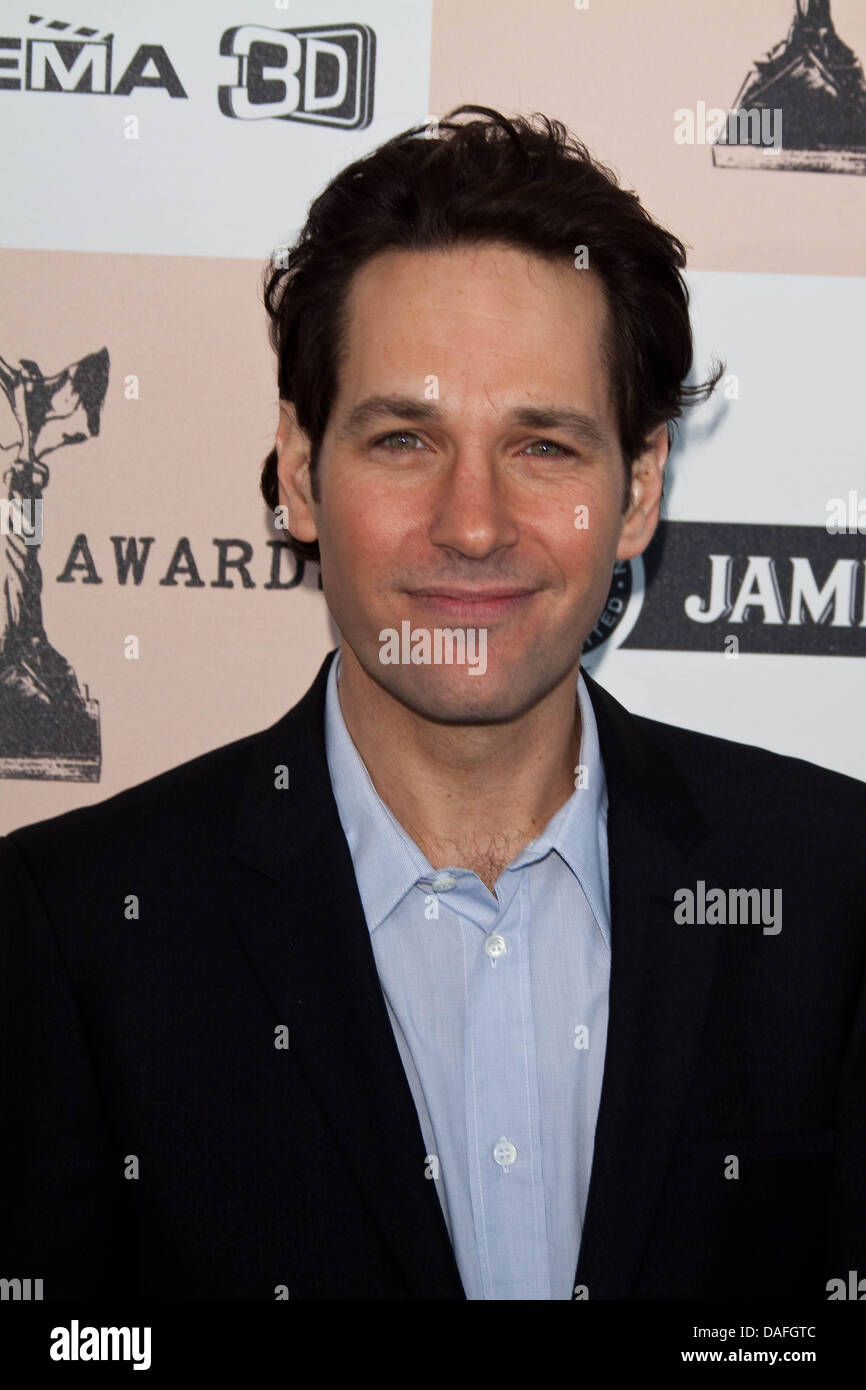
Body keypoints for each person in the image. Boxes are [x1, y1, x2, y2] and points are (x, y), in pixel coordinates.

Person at [2, 106, 864, 1301]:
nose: (471, 523)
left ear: (637, 491)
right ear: (300, 477)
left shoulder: (834, 891)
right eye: (405, 440)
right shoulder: (71, 931)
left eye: (544, 446)